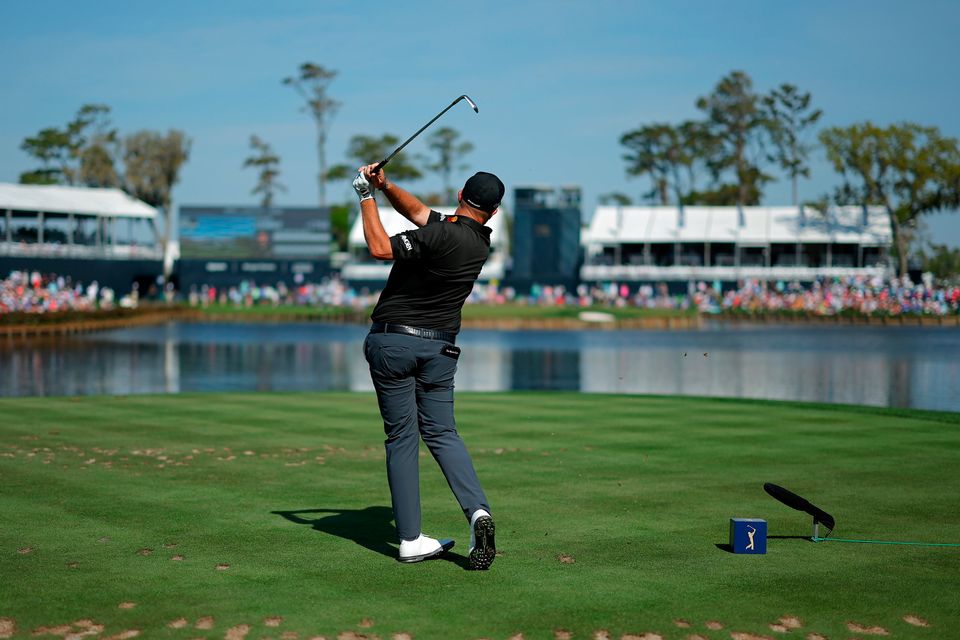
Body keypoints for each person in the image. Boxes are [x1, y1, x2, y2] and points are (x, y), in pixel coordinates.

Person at [352, 163, 502, 569]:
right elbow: (419, 213)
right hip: (439, 351)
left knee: (402, 437)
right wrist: (385, 186)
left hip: (393, 343)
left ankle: (410, 540)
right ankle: (477, 512)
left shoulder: (441, 233)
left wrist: (365, 196)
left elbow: (381, 248)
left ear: (459, 195)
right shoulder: (476, 241)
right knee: (442, 433)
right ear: (494, 211)